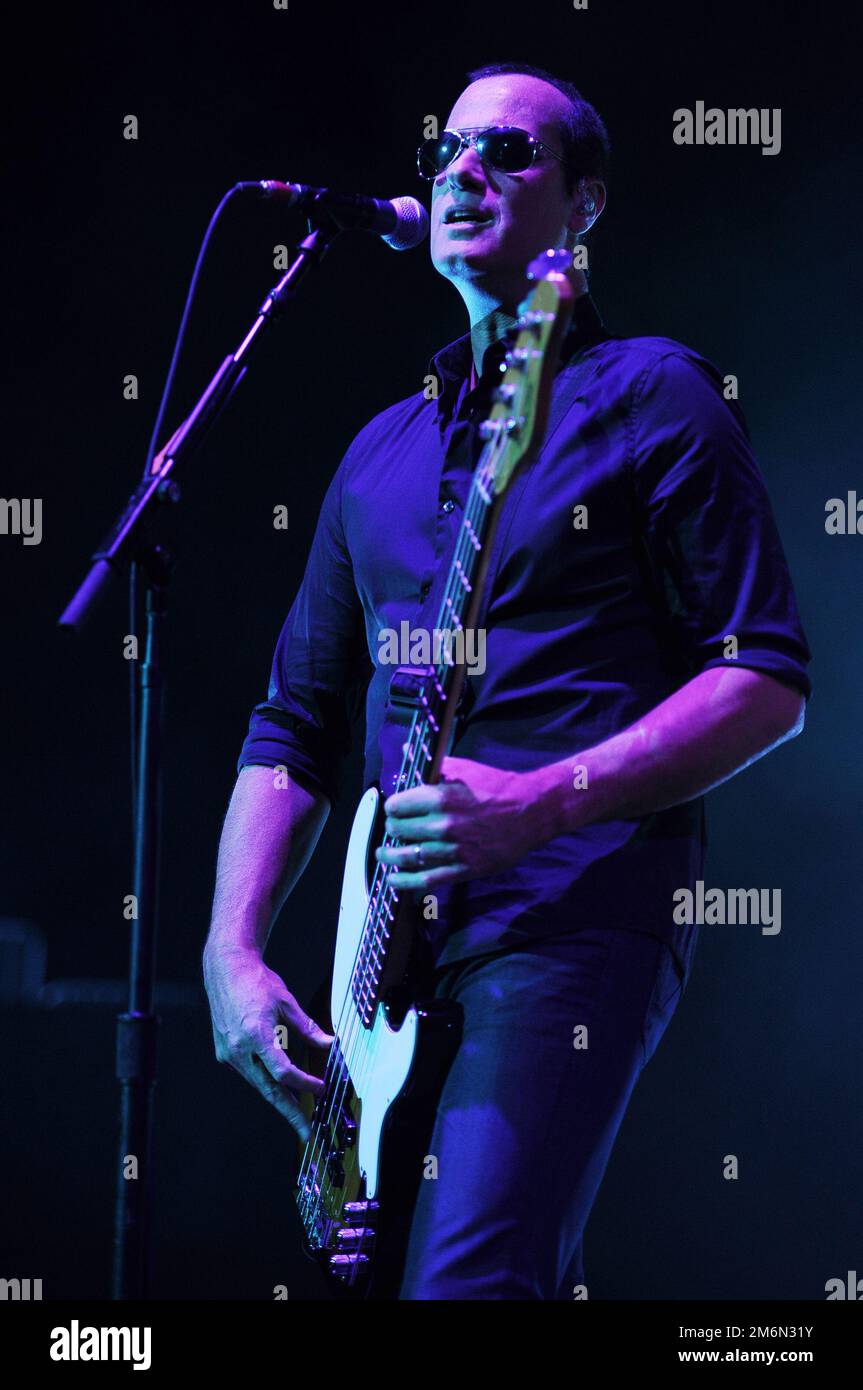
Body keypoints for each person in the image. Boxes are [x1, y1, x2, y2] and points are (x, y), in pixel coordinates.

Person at [203, 62, 812, 1299]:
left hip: (569, 907)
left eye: (510, 152)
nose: (463, 170)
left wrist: (544, 802)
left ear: (583, 206)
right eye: (448, 153)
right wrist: (231, 950)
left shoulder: (652, 393)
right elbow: (292, 728)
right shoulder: (379, 451)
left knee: (471, 1283)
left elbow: (764, 676)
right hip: (388, 962)